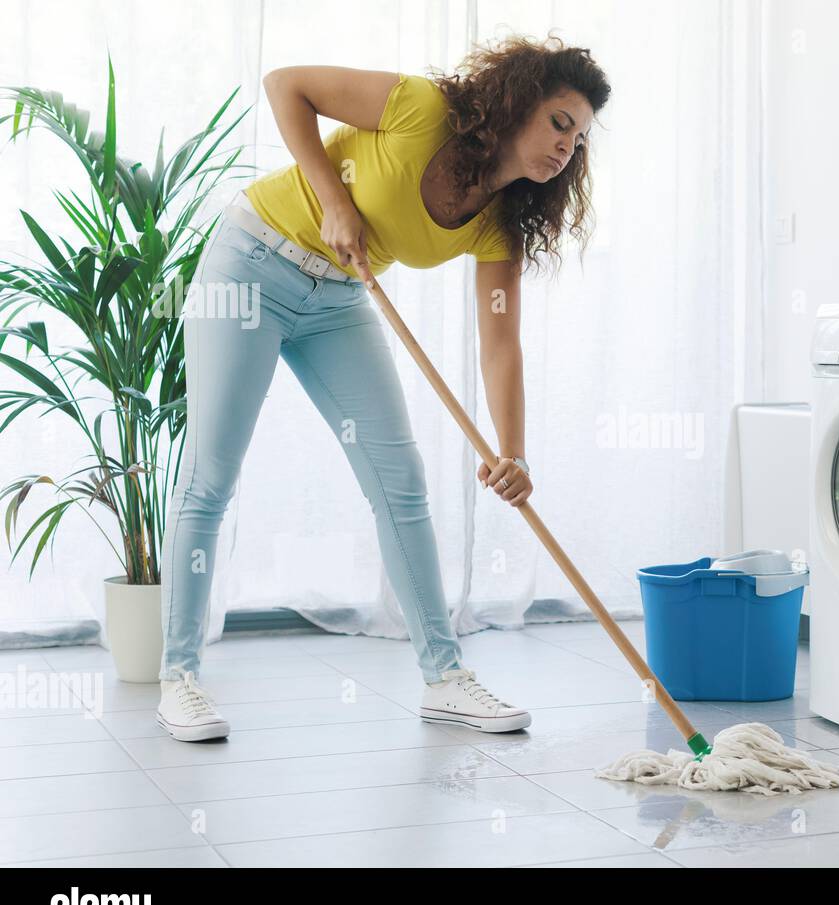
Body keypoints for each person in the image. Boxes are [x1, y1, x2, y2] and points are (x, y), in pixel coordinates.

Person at [155, 35, 611, 742]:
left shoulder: (499, 222)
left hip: (338, 296)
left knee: (401, 479)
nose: (566, 146)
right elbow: (286, 84)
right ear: (521, 102)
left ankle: (445, 677)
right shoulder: (422, 109)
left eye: (579, 139)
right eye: (560, 122)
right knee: (211, 474)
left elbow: (500, 342)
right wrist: (333, 199)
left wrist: (513, 453)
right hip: (250, 263)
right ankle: (178, 677)